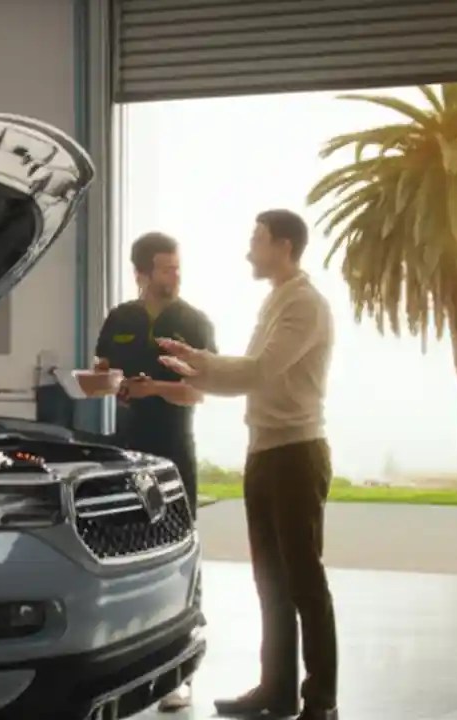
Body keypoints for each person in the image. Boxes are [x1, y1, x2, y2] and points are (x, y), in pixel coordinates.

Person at [156, 210, 338, 720]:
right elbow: (247, 376)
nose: (248, 250)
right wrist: (197, 364)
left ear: (284, 245)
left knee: (303, 580)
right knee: (270, 582)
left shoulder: (304, 304)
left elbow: (257, 372)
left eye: (257, 240)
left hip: (296, 453)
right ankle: (276, 691)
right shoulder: (277, 300)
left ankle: (321, 700)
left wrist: (198, 361)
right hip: (265, 451)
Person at [92, 230, 215, 712]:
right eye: (166, 267)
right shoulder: (119, 318)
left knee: (180, 558)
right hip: (126, 453)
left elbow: (198, 393)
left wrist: (153, 389)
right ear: (141, 273)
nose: (175, 275)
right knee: (124, 554)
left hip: (174, 452)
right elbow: (102, 374)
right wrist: (110, 383)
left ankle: (180, 673)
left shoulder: (194, 323)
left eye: (178, 267)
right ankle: (125, 661)